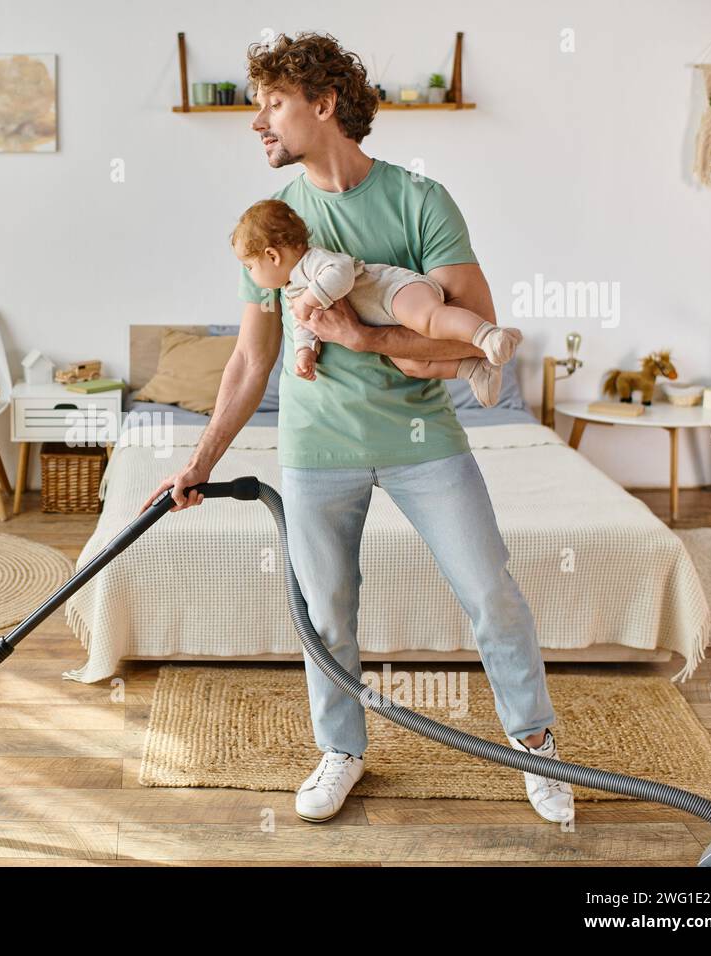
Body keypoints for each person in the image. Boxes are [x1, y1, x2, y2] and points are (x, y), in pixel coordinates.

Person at [140, 32, 573, 826]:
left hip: (423, 443)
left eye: (272, 103)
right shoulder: (270, 225)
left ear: (324, 104)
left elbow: (473, 337)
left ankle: (535, 744)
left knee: (491, 592)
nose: (256, 121)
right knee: (327, 609)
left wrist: (368, 339)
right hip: (317, 451)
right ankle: (341, 748)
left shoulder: (418, 201)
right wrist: (198, 461)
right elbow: (249, 359)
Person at [231, 197, 519, 402]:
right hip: (381, 319)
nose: (250, 275)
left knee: (429, 319)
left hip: (393, 291)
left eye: (249, 267)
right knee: (412, 365)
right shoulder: (292, 290)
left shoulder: (311, 261)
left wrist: (310, 298)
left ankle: (487, 335)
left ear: (272, 256)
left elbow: (341, 274)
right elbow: (305, 324)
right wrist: (305, 352)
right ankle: (474, 368)